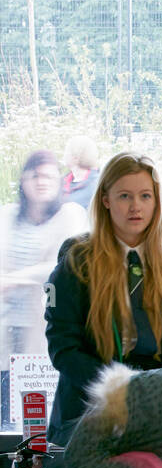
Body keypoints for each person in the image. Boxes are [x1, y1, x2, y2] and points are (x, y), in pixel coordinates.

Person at [44, 151, 162, 460]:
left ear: (156, 201)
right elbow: (62, 347)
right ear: (105, 199)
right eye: (124, 196)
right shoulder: (78, 257)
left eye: (145, 196)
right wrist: (123, 392)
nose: (136, 206)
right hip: (95, 414)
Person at [1, 149, 87, 428]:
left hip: (42, 334)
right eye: (35, 175)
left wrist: (15, 279)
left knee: (35, 413)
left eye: (49, 175)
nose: (41, 181)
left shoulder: (70, 216)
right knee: (5, 411)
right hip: (7, 328)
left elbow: (60, 264)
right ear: (23, 181)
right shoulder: (7, 216)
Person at [61, 134, 100, 210]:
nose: (64, 155)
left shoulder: (97, 184)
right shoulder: (63, 181)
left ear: (75, 157)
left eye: (67, 151)